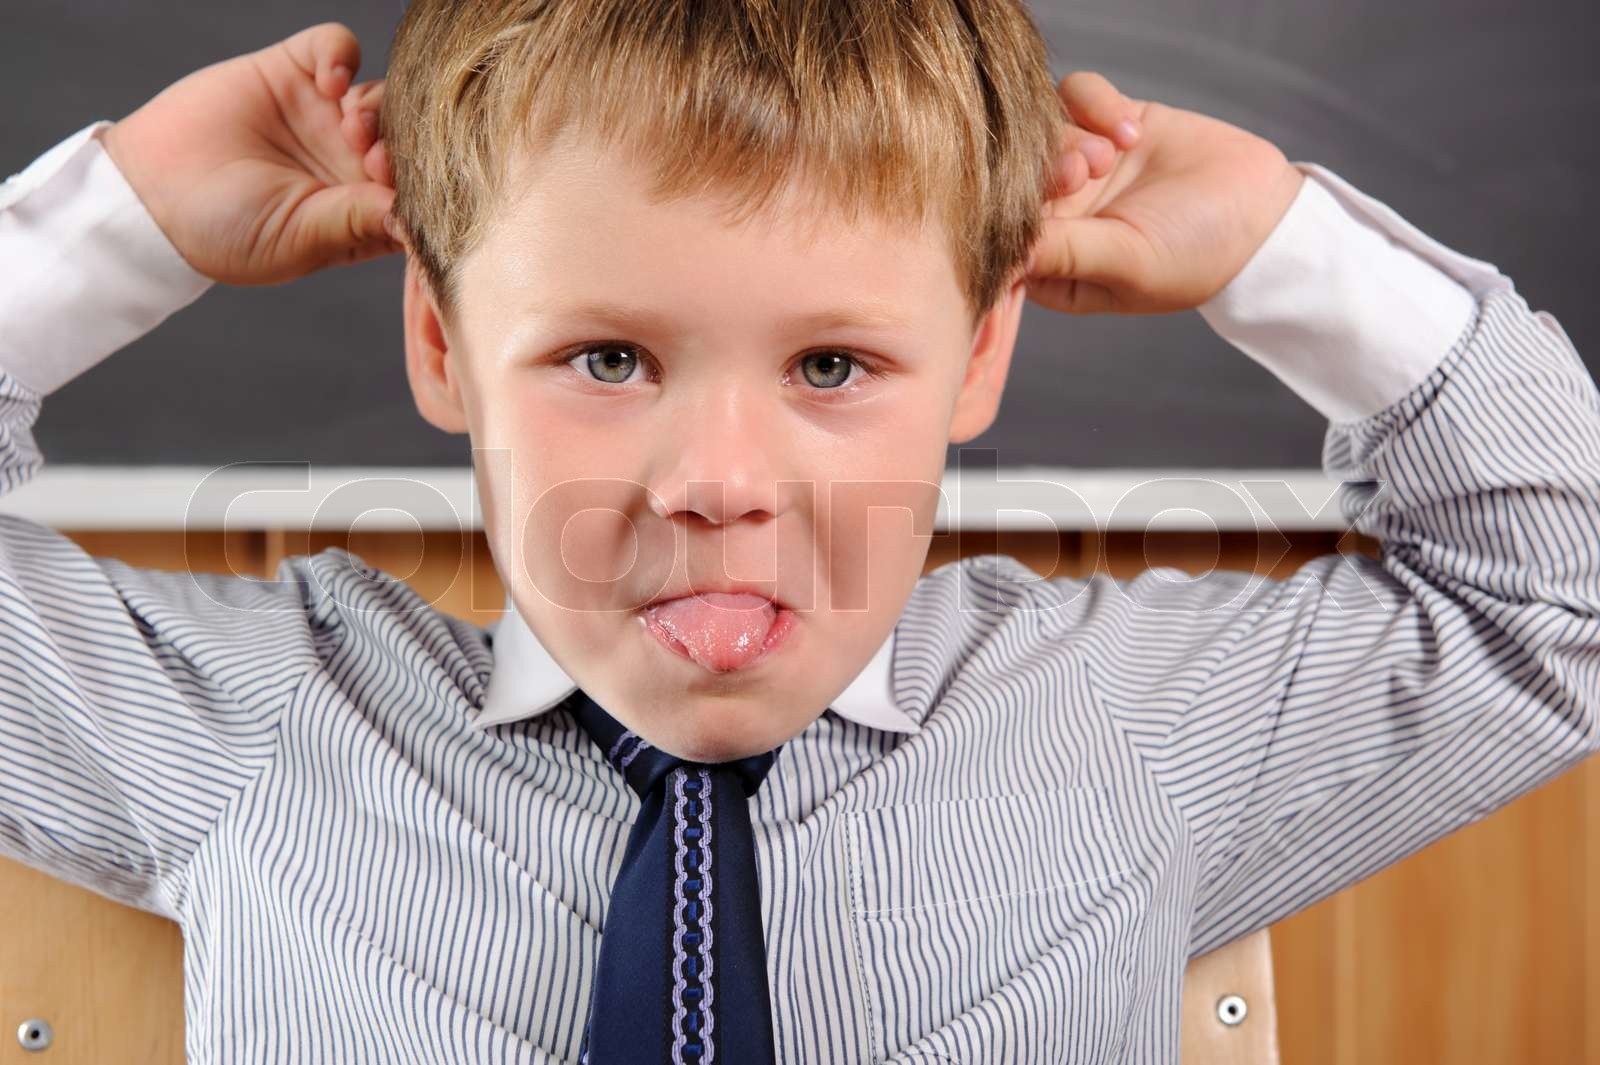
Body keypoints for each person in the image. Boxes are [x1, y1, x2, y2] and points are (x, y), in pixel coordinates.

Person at [2, 8, 1596, 1064]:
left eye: (833, 365)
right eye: (607, 359)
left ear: (978, 355)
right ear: (441, 345)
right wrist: (122, 222)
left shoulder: (1127, 729)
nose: (717, 479)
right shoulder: (263, 729)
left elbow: (1561, 604)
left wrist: (1285, 255)